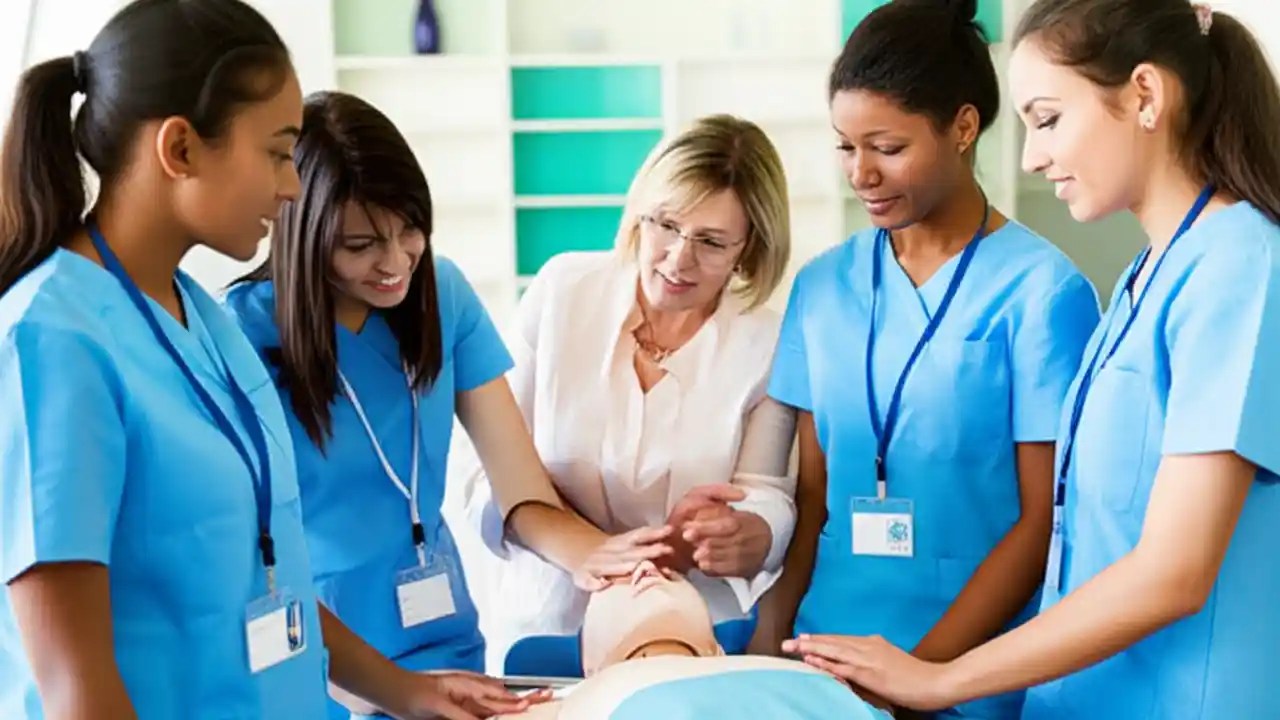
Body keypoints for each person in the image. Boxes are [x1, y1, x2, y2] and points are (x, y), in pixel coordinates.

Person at [0, 2, 534, 719]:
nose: (291, 187)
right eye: (279, 152)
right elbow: (74, 690)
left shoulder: (202, 318)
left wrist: (408, 691)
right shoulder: (53, 339)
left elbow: (266, 577)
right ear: (181, 149)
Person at [783, 2, 1280, 719]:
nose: (1031, 157)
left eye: (1047, 120)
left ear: (1145, 94)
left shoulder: (1238, 266)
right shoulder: (1146, 278)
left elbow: (1175, 572)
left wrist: (937, 679)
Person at [754, 1, 1101, 717]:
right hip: (826, 663)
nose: (862, 174)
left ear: (964, 127)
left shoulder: (1043, 292)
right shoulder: (821, 288)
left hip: (969, 672)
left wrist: (915, 680)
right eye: (845, 147)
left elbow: (1041, 525)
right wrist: (769, 636)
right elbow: (816, 499)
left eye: (887, 146)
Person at [223, 90, 613, 719]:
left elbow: (521, 489)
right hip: (323, 657)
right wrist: (380, 693)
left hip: (444, 640)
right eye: (360, 245)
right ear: (301, 230)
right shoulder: (241, 336)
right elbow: (248, 561)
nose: (395, 261)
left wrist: (599, 558)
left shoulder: (442, 294)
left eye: (410, 230)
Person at [459, 114, 798, 673]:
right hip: (550, 624)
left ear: (750, 248)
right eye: (666, 225)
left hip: (687, 629)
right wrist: (585, 549)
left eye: (711, 242)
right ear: (641, 214)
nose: (677, 259)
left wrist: (746, 534)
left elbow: (768, 496)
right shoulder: (563, 292)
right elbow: (483, 466)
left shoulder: (767, 343)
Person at [501, 562, 891, 719]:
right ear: (590, 665)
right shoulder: (562, 707)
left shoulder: (822, 681)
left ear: (715, 649)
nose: (644, 570)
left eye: (670, 574)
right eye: (613, 581)